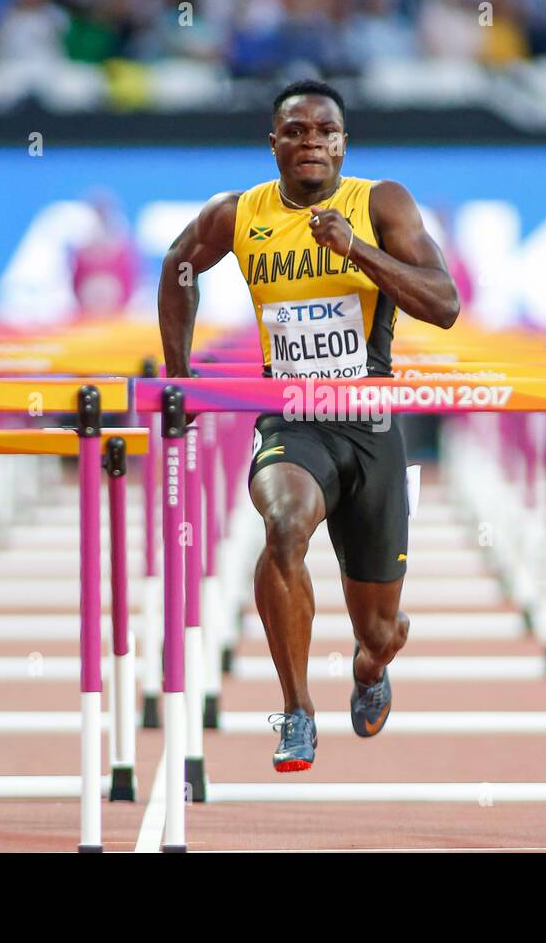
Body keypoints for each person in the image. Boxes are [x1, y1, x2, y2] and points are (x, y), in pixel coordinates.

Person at [158, 79, 460, 771]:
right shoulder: (237, 213)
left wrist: (356, 250)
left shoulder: (381, 202)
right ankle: (296, 709)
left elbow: (444, 304)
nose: (312, 143)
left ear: (343, 144)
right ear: (274, 144)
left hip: (371, 422)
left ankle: (371, 659)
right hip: (293, 418)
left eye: (326, 132)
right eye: (296, 131)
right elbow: (177, 266)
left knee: (379, 628)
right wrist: (179, 375)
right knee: (284, 523)